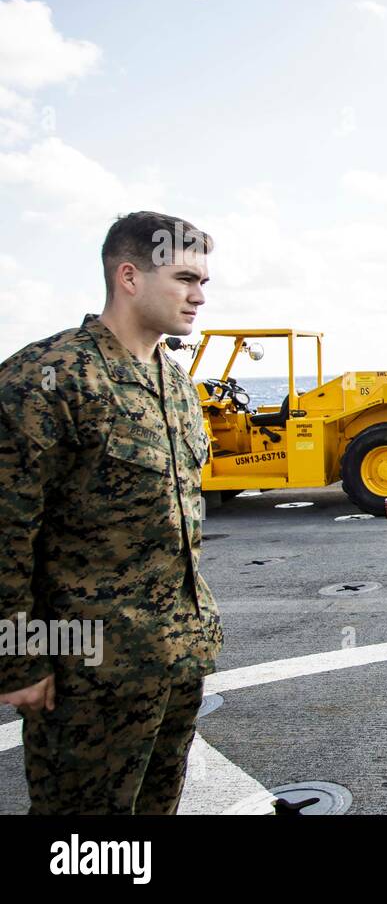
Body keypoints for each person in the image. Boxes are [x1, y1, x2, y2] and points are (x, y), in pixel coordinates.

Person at [0, 211, 222, 813]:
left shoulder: (176, 384)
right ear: (129, 277)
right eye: (184, 278)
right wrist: (18, 660)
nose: (199, 295)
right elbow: (7, 530)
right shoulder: (48, 378)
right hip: (87, 675)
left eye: (203, 281)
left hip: (175, 659)